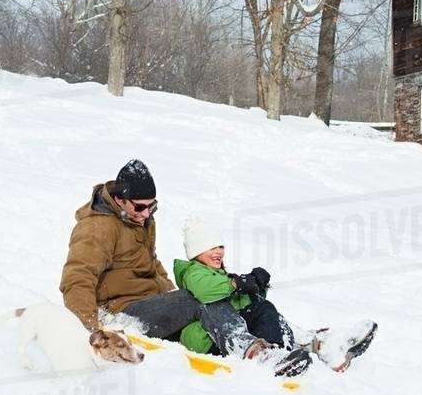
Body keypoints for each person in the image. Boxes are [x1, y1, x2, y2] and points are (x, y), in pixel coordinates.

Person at [59, 159, 299, 372]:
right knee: (197, 297)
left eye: (151, 206)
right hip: (122, 312)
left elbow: (151, 265)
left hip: (149, 303)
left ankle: (279, 346)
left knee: (216, 302)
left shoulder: (139, 220)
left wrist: (171, 299)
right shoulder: (96, 227)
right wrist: (92, 330)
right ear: (119, 199)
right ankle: (251, 352)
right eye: (140, 207)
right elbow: (77, 278)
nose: (146, 214)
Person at [175, 218, 377, 374]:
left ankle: (320, 345)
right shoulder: (192, 272)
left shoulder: (217, 274)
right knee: (262, 311)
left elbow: (238, 302)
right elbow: (204, 290)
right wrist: (237, 283)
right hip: (206, 337)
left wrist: (256, 288)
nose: (219, 251)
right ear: (196, 252)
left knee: (264, 309)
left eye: (221, 246)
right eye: (211, 247)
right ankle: (270, 355)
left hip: (223, 332)